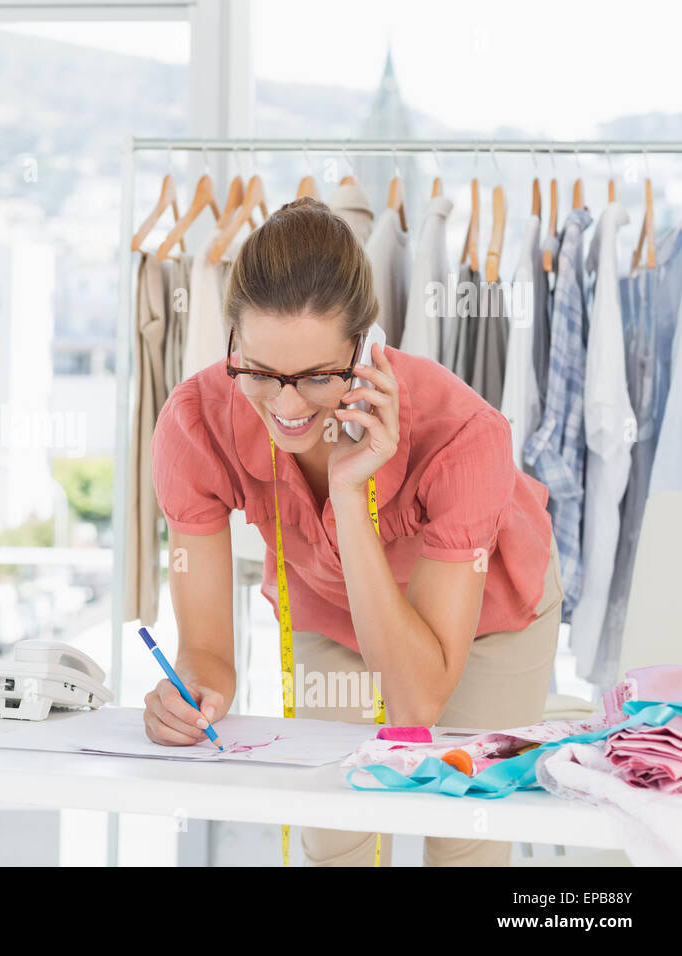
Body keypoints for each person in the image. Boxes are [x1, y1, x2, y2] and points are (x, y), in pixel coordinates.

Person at [146, 197, 562, 866]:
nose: (285, 406)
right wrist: (191, 693)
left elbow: (416, 700)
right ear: (232, 339)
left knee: (461, 827)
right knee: (333, 823)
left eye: (315, 378)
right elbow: (206, 653)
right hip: (327, 605)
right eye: (260, 370)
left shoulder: (462, 435)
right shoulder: (195, 421)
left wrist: (347, 487)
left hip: (489, 618)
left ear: (363, 348)